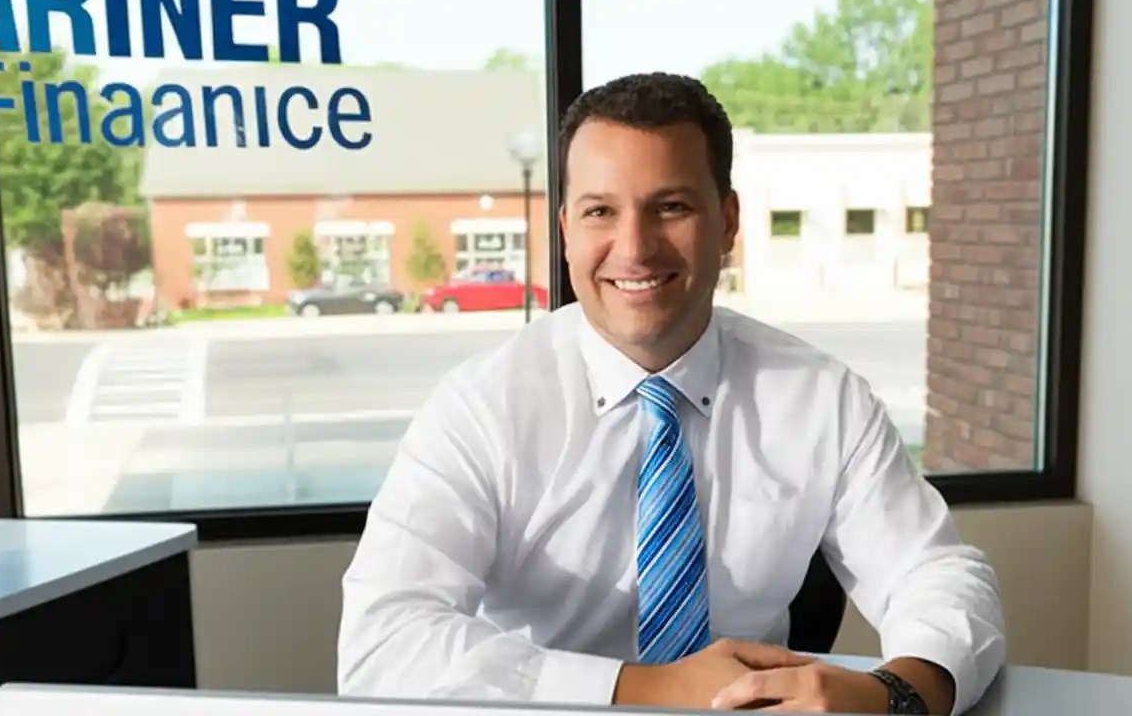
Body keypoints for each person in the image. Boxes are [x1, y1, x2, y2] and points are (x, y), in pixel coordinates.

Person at [337, 72, 1005, 715]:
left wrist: (899, 695)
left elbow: (937, 575)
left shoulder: (821, 398)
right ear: (567, 228)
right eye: (602, 211)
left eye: (672, 207)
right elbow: (383, 643)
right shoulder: (480, 409)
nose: (635, 248)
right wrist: (648, 689)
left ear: (728, 222)